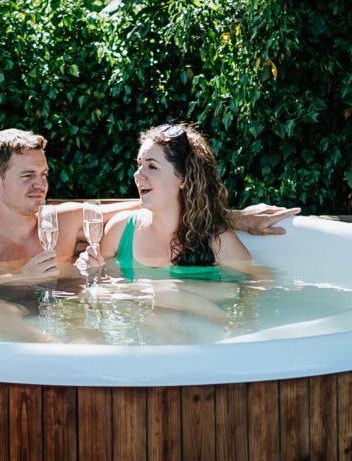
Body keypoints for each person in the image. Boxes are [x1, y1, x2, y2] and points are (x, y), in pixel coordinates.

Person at [0, 127, 295, 340]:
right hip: (14, 312)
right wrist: (23, 277)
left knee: (137, 306)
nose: (41, 185)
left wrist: (233, 217)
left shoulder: (66, 220)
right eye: (27, 176)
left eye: (44, 174)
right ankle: (55, 363)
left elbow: (156, 205)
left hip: (69, 310)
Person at [89, 123, 255, 330]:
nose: (138, 174)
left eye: (152, 166)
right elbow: (104, 293)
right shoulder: (120, 229)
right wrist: (92, 271)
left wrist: (171, 294)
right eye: (139, 164)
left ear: (183, 178)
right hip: (143, 337)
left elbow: (251, 286)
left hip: (203, 334)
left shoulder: (215, 239)